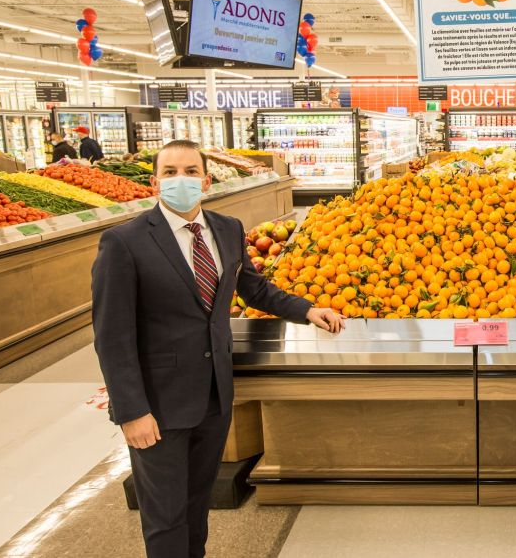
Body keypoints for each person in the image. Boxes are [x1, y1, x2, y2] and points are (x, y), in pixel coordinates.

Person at [92, 140, 344, 558]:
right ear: (155, 182)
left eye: (190, 171)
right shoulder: (124, 242)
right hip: (159, 404)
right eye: (170, 172)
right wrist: (132, 411)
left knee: (196, 505)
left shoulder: (226, 229)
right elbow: (112, 336)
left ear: (206, 180)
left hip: (213, 396)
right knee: (165, 516)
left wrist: (306, 310)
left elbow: (253, 287)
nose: (181, 180)